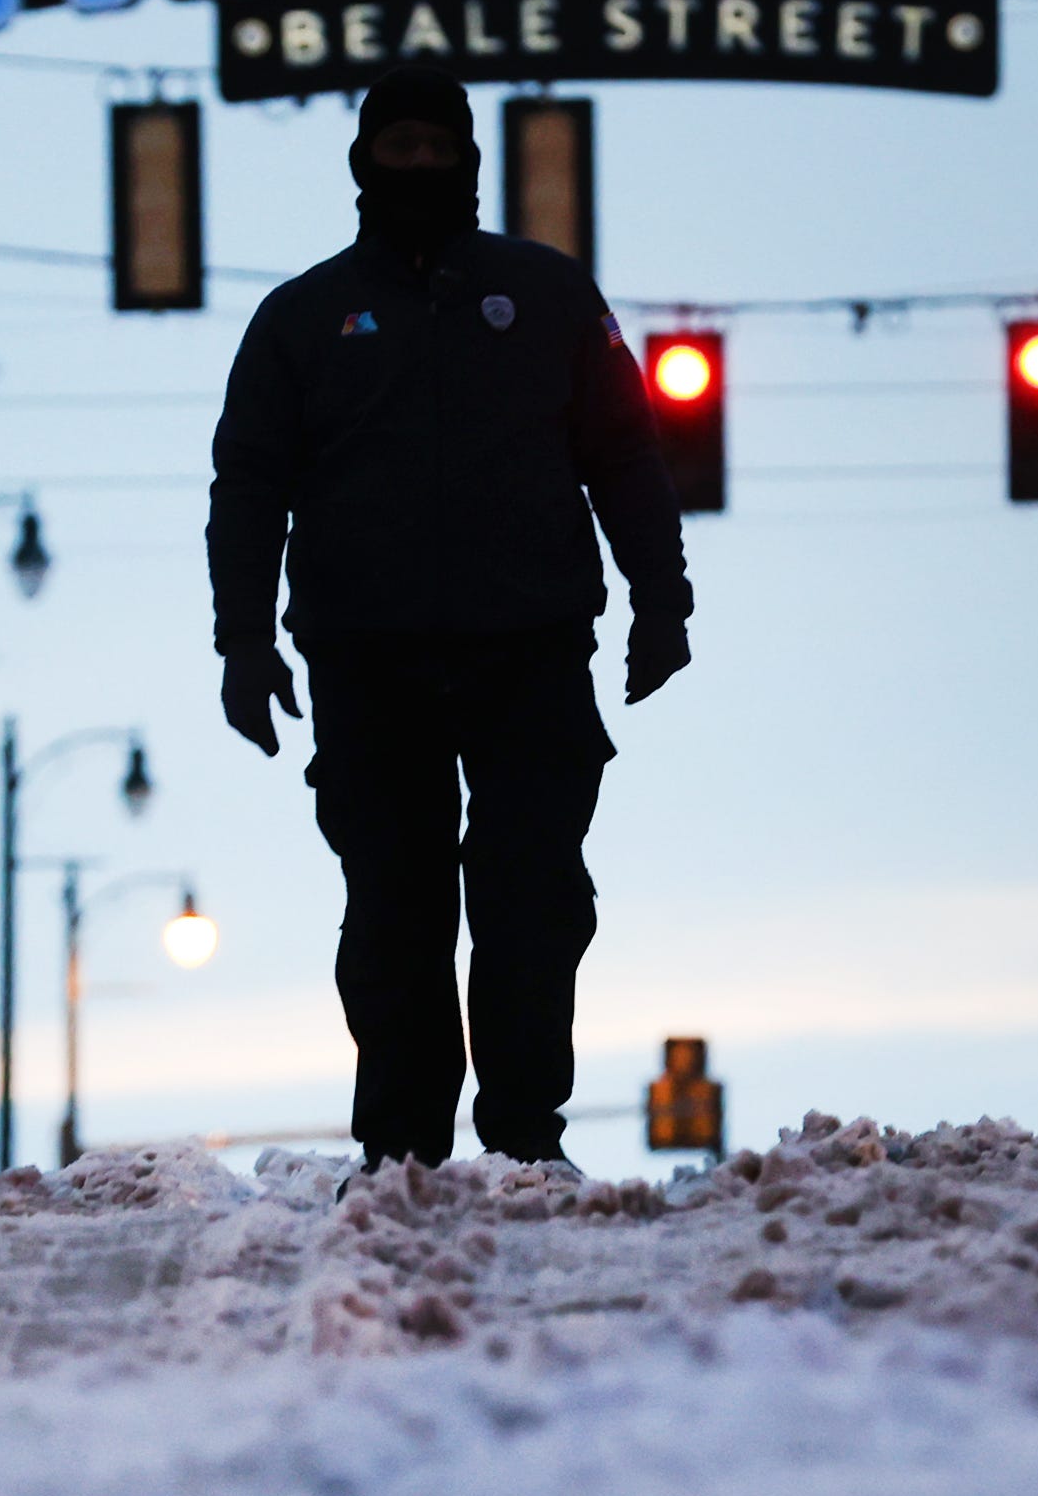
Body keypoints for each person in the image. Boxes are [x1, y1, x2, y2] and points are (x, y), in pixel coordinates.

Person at [206, 68, 692, 1172]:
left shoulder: (553, 298)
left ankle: (527, 1140)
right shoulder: (302, 319)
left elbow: (623, 455)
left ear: (472, 159)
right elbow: (249, 488)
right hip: (366, 659)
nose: (419, 167)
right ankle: (403, 1151)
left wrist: (660, 599)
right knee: (394, 912)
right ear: (363, 162)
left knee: (533, 900)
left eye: (439, 148)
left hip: (531, 649)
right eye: (400, 147)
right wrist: (245, 645)